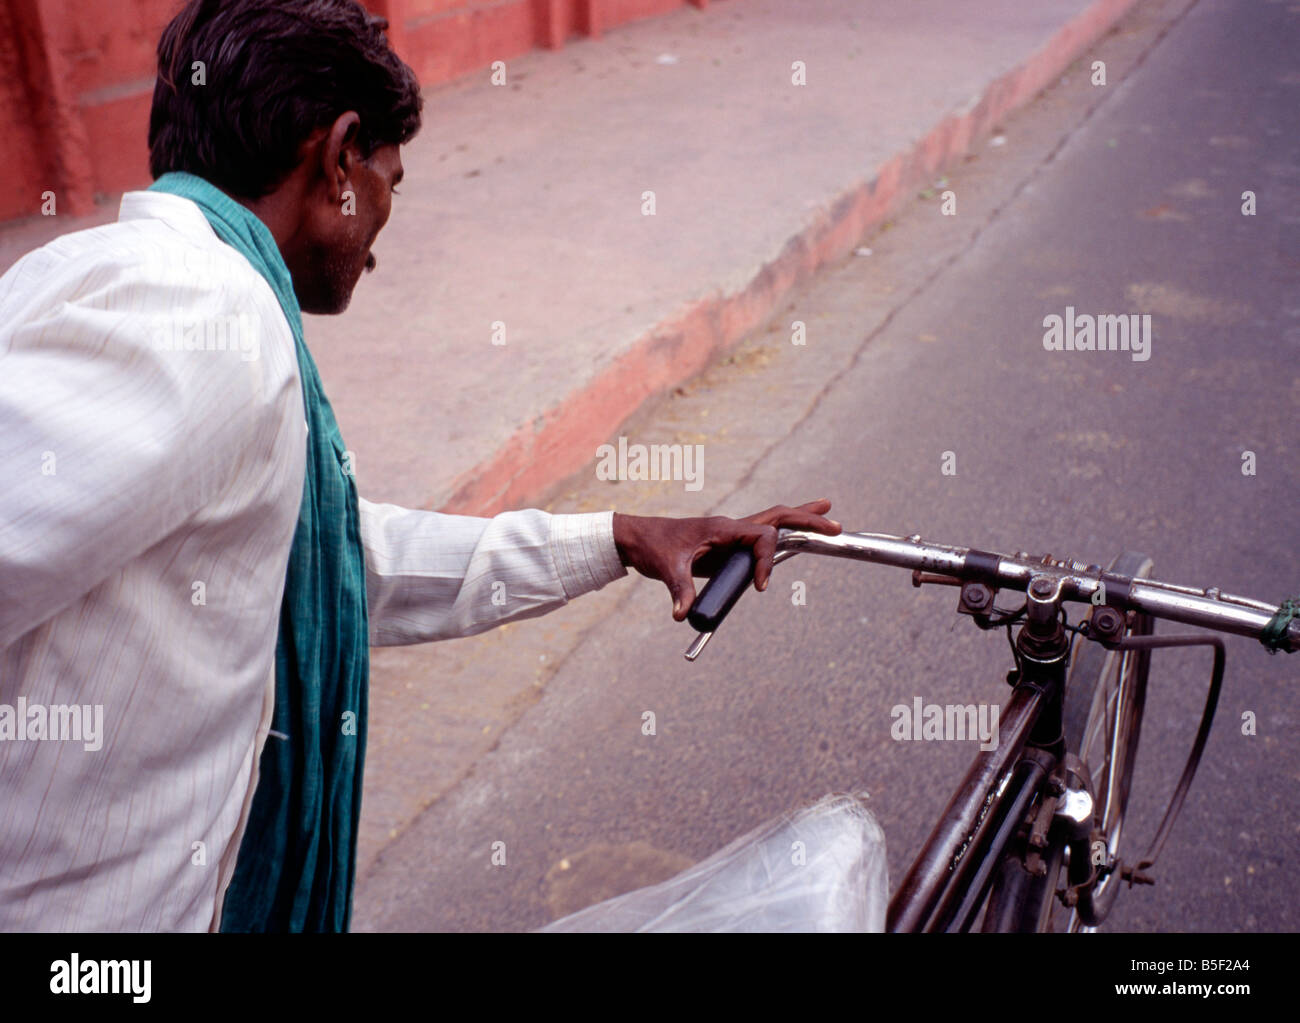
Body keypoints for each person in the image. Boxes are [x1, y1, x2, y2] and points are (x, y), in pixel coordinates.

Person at [0, 0, 840, 932]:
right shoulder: (201, 313)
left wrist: (618, 538)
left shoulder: (144, 285)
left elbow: (330, 559)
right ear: (339, 156)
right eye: (391, 180)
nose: (384, 241)